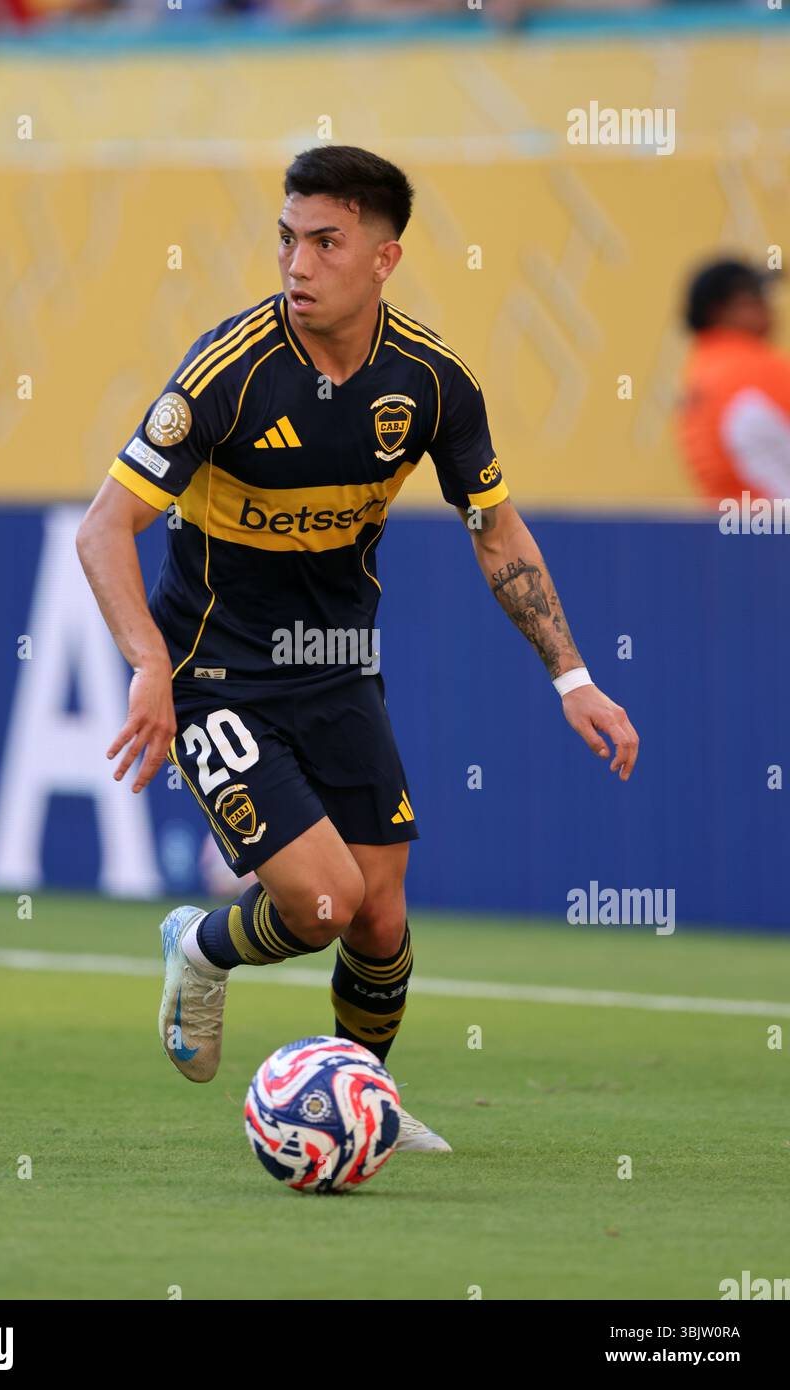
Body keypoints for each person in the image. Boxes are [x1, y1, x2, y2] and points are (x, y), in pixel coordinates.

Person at [76, 145, 638, 1155]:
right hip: (216, 678)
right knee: (326, 902)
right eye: (288, 238)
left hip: (337, 670)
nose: (297, 264)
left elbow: (496, 532)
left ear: (384, 258)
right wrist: (149, 667)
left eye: (326, 242)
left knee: (380, 921)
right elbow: (100, 529)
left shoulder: (428, 383)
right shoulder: (227, 374)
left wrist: (575, 676)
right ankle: (200, 947)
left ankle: (359, 1096)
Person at [678, 258, 790, 503]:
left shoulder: (701, 371)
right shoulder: (757, 369)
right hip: (777, 526)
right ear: (719, 311)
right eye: (754, 297)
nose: (767, 305)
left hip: (728, 528)